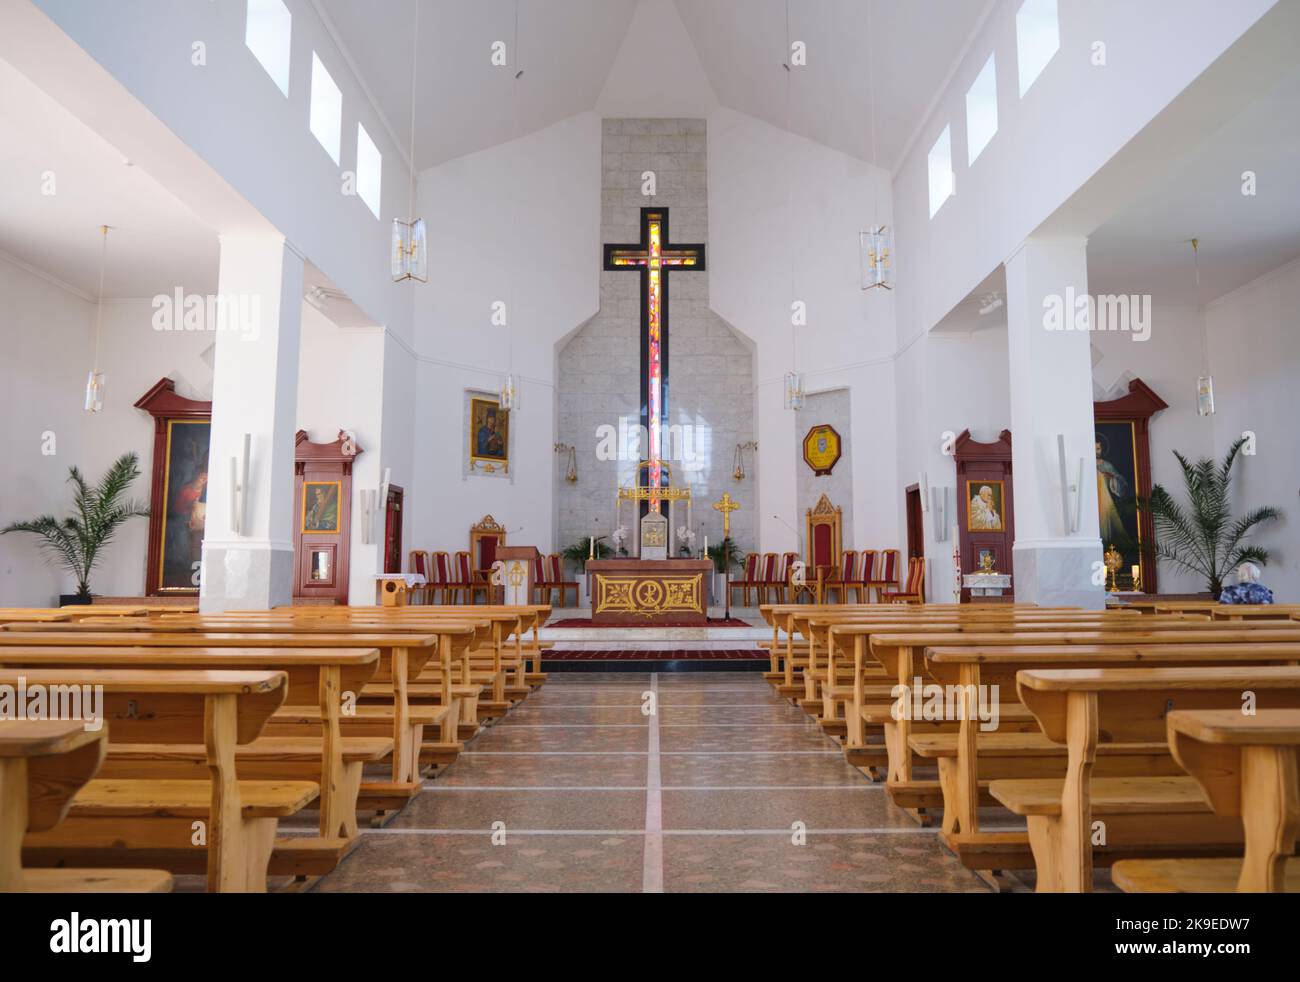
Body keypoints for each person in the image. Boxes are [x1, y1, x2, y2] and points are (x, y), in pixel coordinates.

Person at [1096, 439, 1130, 544]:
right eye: (1093, 449)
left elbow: (1122, 483)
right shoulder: (1086, 465)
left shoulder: (1107, 465)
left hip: (1107, 502)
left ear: (1102, 449)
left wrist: (1111, 477)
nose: (1096, 451)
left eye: (1098, 448)